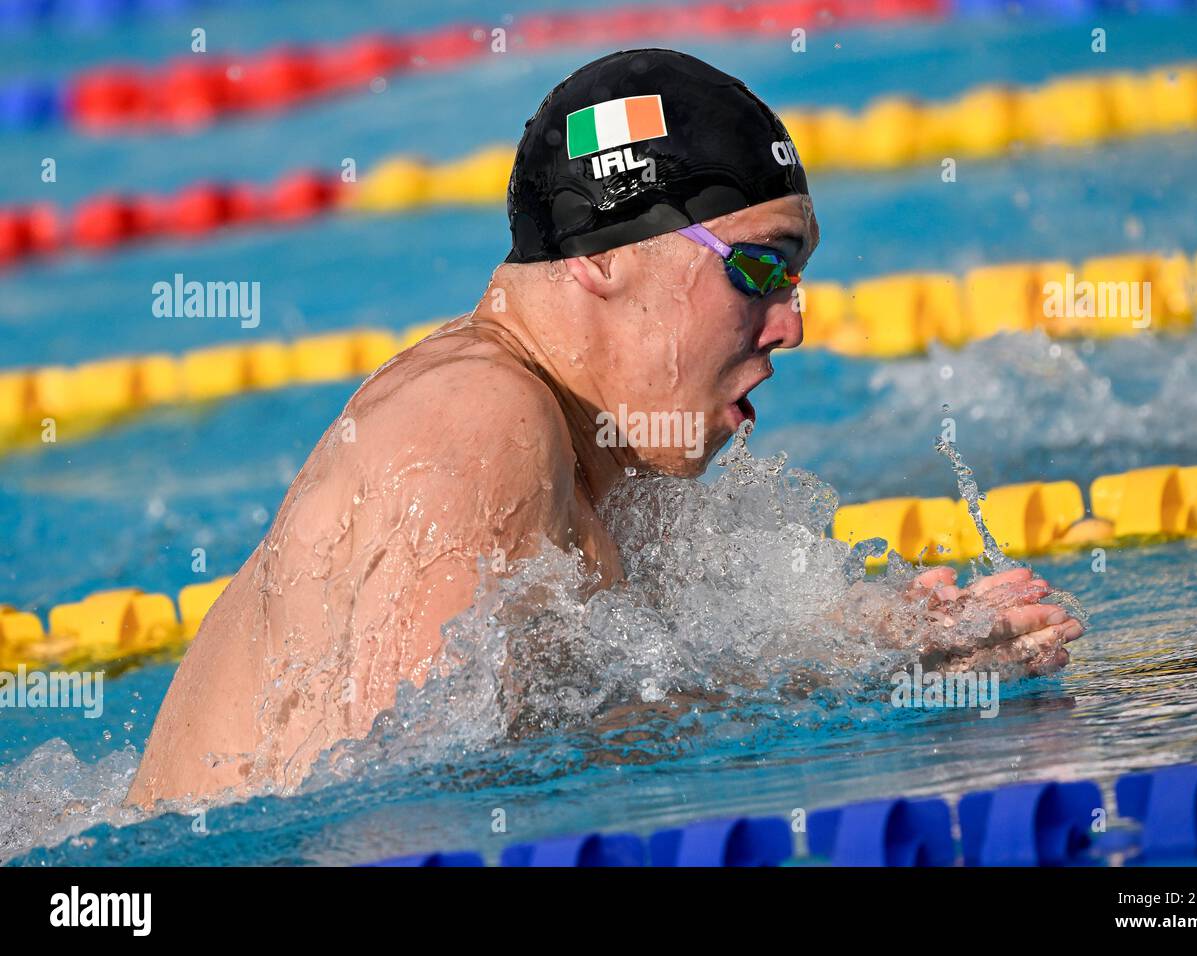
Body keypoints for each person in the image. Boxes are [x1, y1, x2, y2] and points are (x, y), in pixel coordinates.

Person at [126, 48, 1082, 808]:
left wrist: (890, 638)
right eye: (759, 268)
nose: (792, 320)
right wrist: (863, 696)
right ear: (600, 257)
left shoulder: (616, 449)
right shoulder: (474, 420)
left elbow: (664, 668)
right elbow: (409, 793)